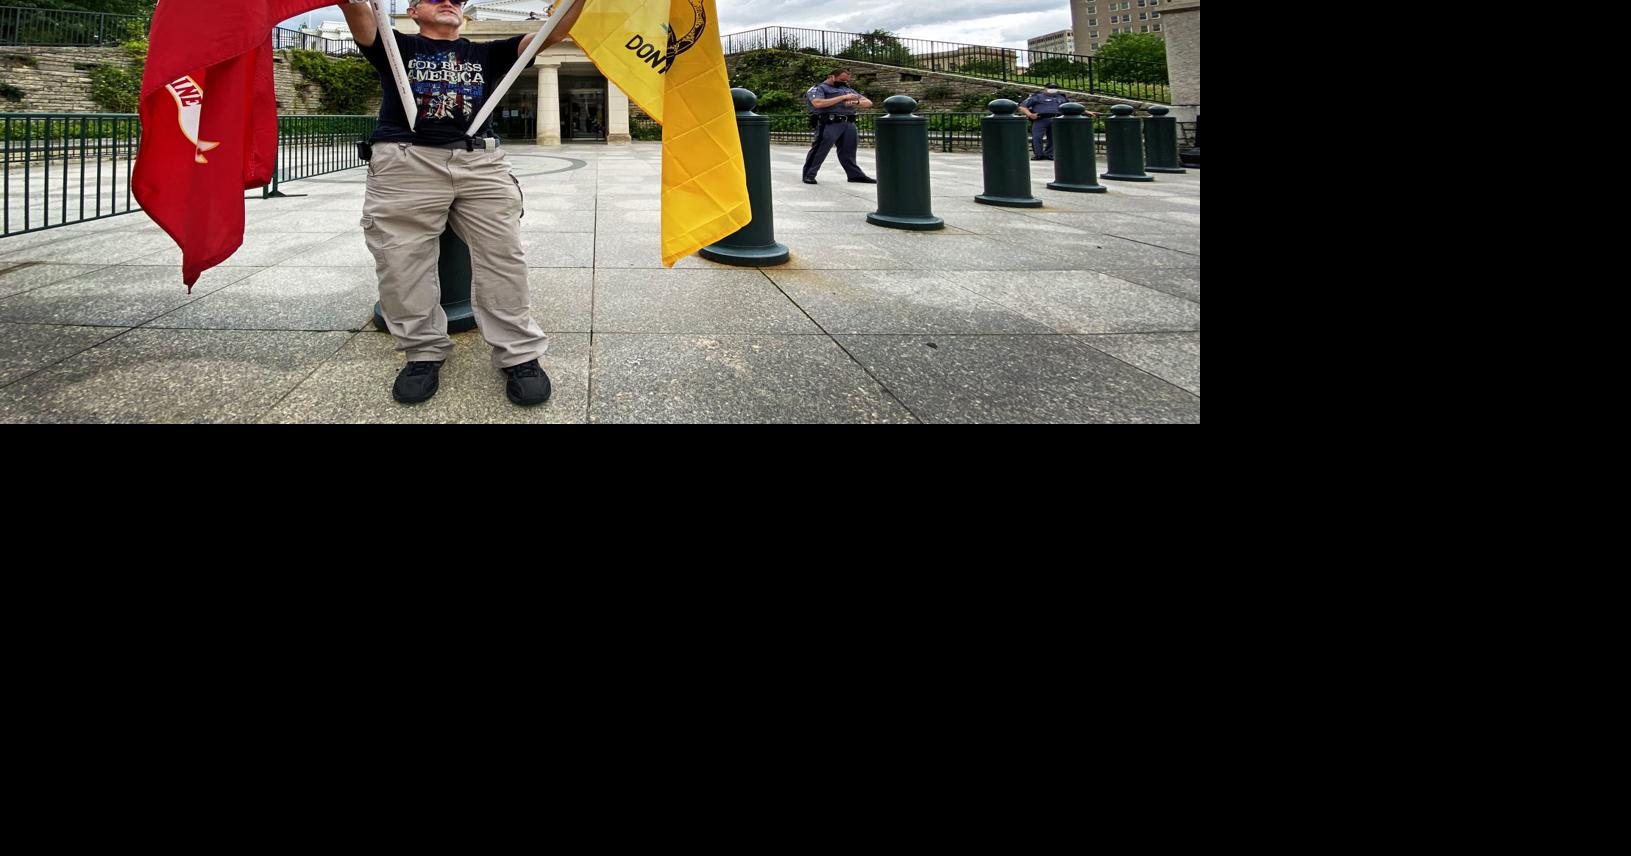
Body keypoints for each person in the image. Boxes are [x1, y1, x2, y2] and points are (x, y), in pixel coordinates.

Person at [338, 0, 583, 406]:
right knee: (401, 261)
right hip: (406, 159)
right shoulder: (397, 46)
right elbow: (358, 13)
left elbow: (552, 33)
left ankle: (518, 354)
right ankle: (422, 352)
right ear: (413, 11)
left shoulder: (486, 53)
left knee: (503, 256)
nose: (449, 1)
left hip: (479, 160)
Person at [801, 68, 876, 185]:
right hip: (829, 123)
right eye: (841, 80)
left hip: (848, 123)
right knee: (820, 149)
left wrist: (855, 102)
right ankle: (808, 175)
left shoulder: (847, 89)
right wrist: (842, 98)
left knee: (849, 151)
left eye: (846, 80)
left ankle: (855, 175)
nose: (844, 82)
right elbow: (818, 103)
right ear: (831, 77)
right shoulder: (819, 88)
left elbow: (868, 103)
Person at [1019, 82, 1070, 161]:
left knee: (1053, 138)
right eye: (1050, 88)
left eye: (1054, 88)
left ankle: (1050, 154)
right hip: (1040, 119)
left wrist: (1086, 111)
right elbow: (1022, 107)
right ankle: (1038, 154)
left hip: (1056, 119)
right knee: (1037, 137)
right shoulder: (1037, 96)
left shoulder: (1061, 97)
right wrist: (1030, 114)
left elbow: (1072, 106)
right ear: (1045, 88)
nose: (1052, 90)